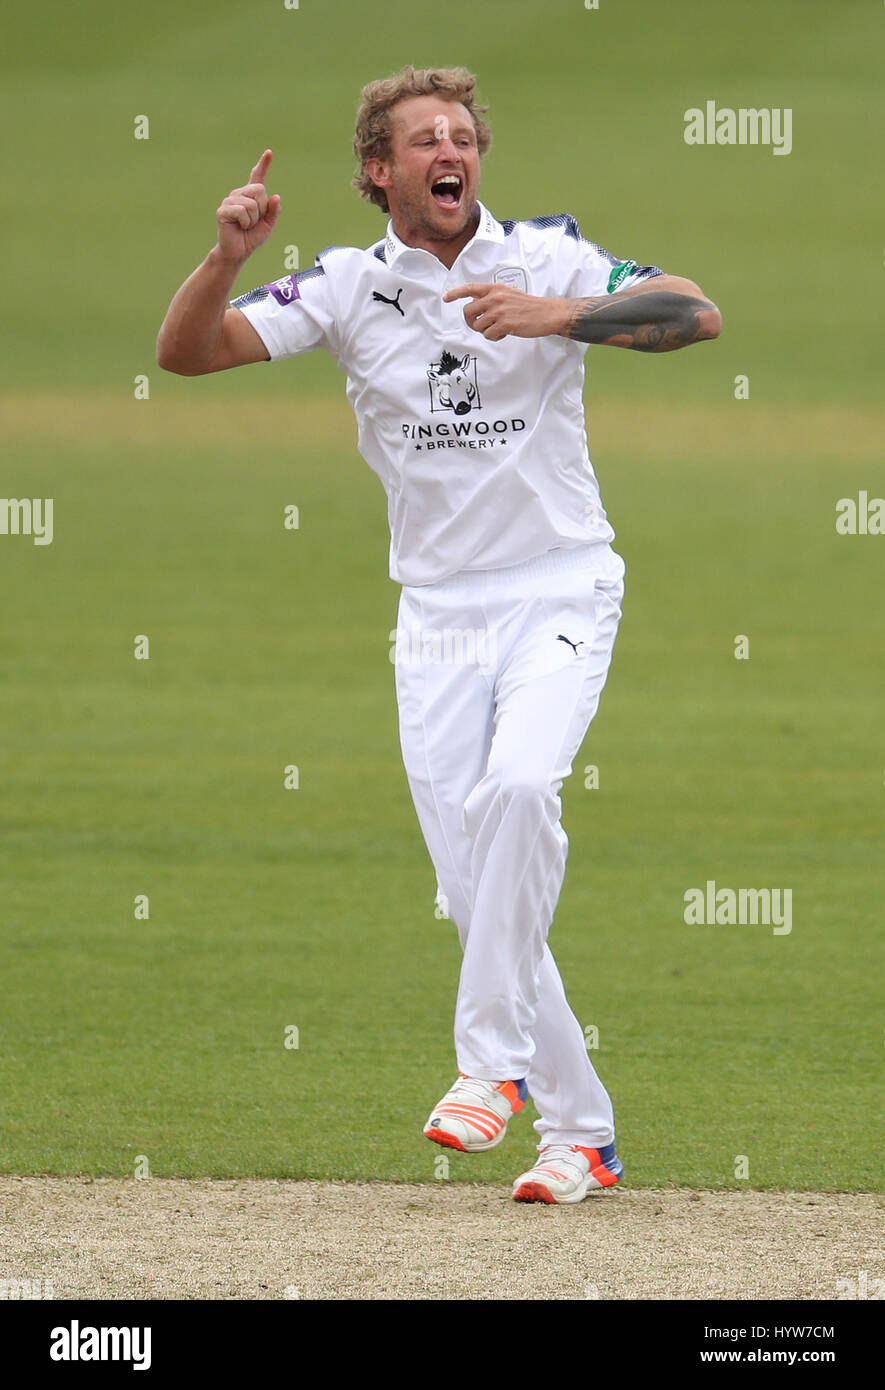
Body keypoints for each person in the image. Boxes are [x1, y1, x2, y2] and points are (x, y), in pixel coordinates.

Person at [157, 64, 721, 1205]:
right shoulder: (347, 285)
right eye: (422, 139)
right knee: (480, 901)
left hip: (560, 586)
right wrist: (226, 255)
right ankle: (585, 1137)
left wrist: (559, 317)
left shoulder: (549, 256)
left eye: (460, 134)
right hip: (437, 619)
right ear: (380, 171)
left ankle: (488, 1067)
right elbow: (189, 352)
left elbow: (694, 311)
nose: (447, 150)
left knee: (518, 793)